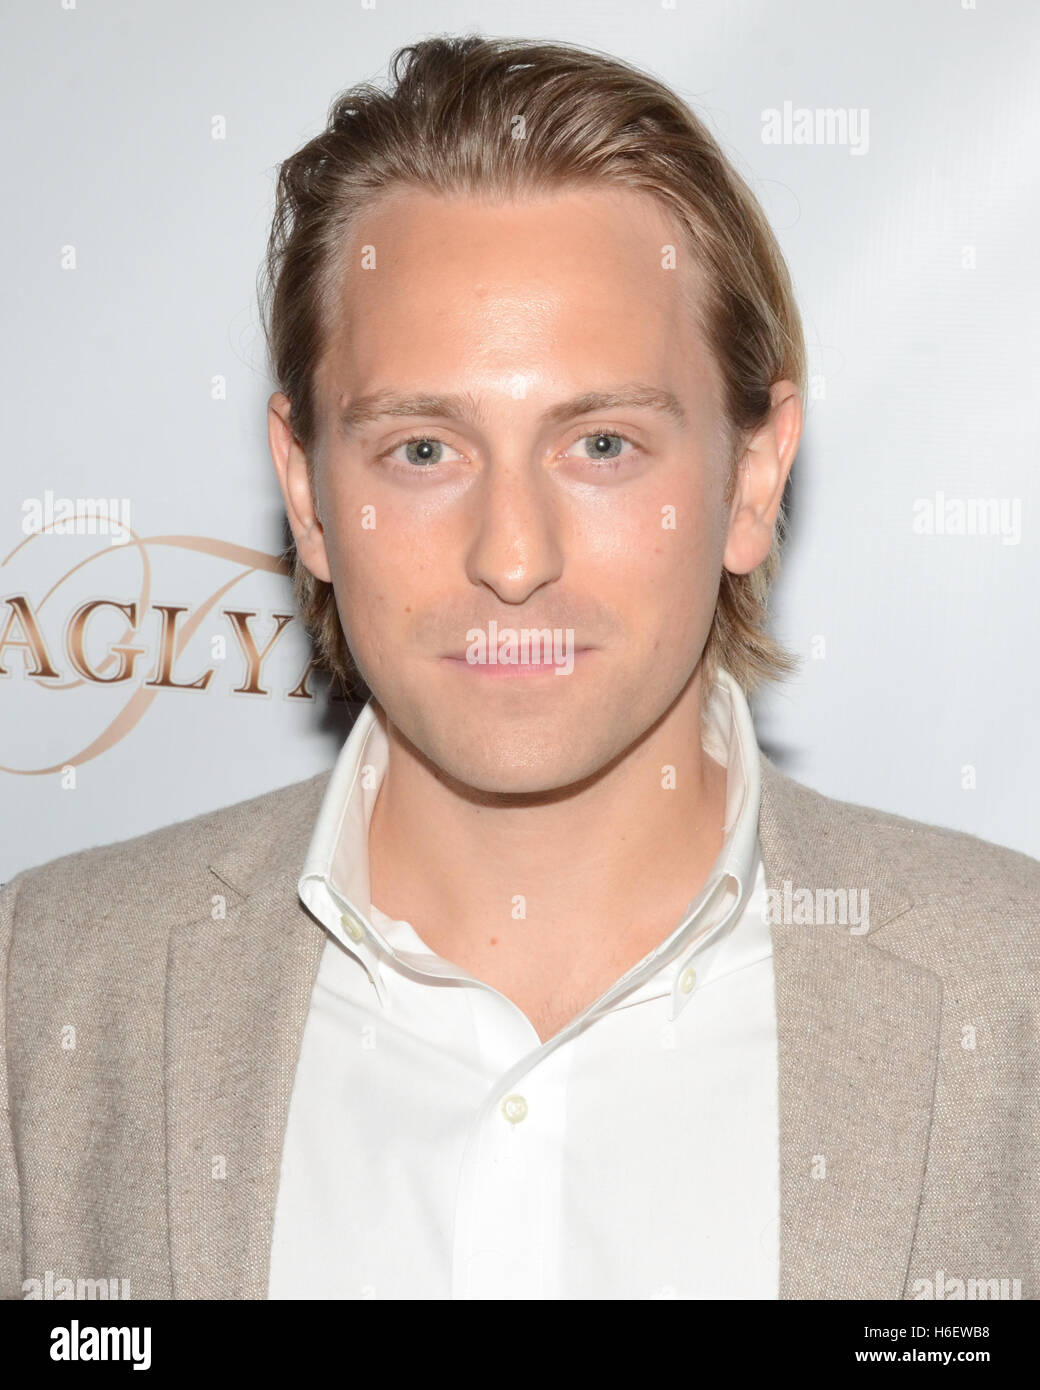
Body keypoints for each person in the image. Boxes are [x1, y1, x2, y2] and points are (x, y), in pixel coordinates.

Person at [2, 34, 1037, 1302]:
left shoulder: (1014, 1000)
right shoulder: (43, 995)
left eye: (600, 442)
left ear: (751, 478)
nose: (510, 558)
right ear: (305, 492)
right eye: (423, 450)